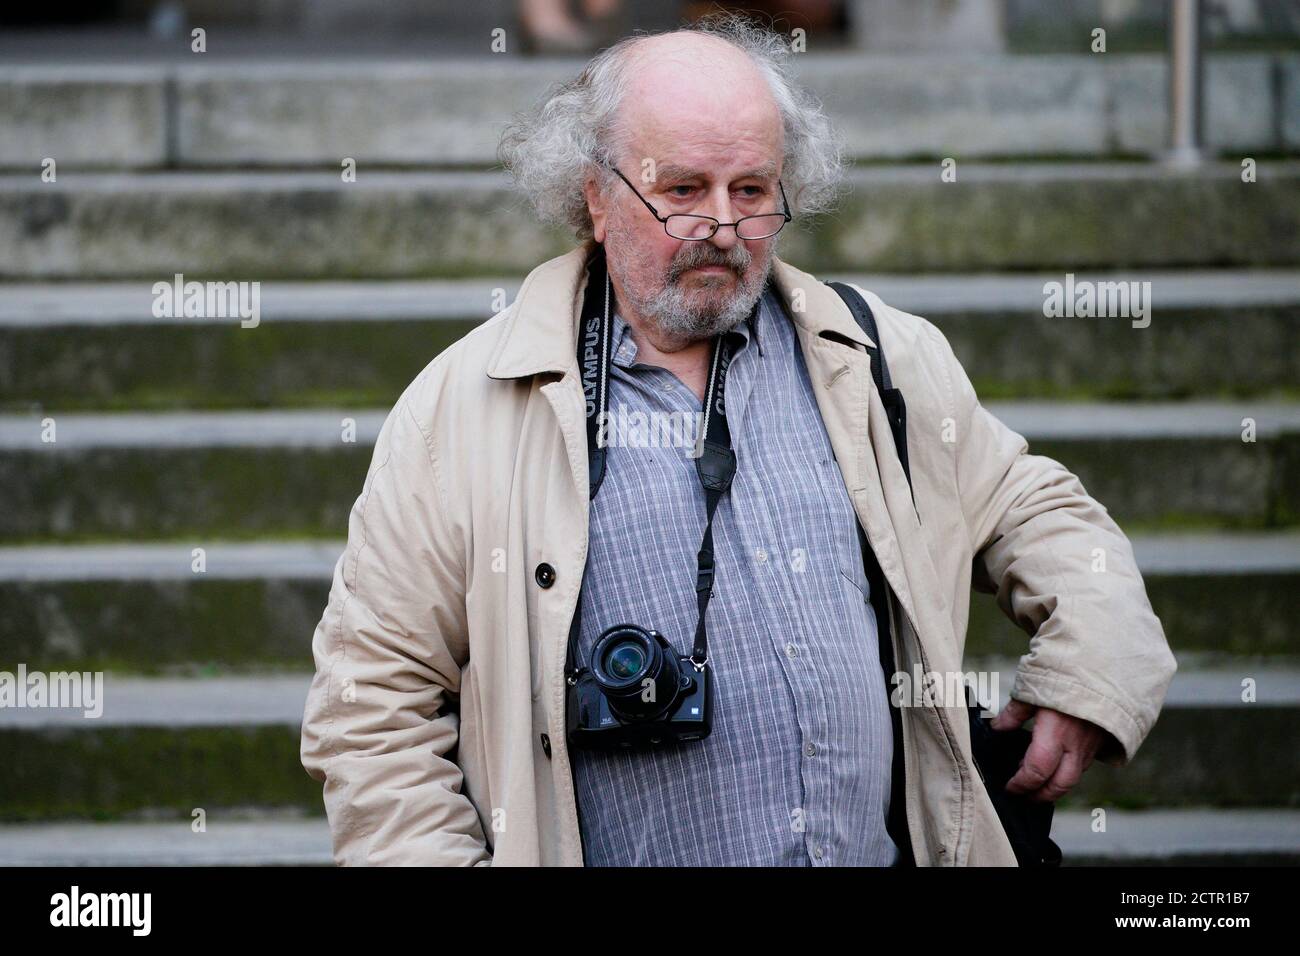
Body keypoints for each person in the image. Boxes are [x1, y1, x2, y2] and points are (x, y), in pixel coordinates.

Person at [300, 13, 1176, 866]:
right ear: (596, 197)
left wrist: (1089, 674)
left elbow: (1041, 510)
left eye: (752, 191)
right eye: (683, 190)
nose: (723, 226)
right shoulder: (465, 407)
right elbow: (369, 704)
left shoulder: (878, 359)